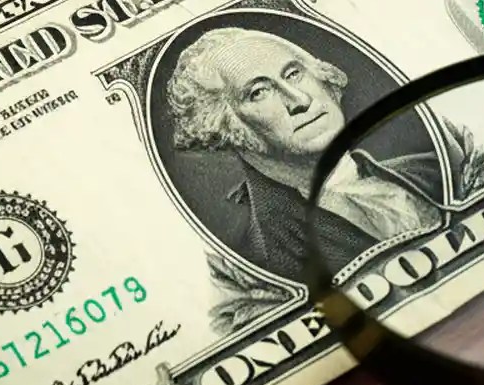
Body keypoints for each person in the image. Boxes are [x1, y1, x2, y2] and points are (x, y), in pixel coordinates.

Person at [167, 26, 458, 280]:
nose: (300, 100)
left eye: (293, 74)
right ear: (226, 126)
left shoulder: (436, 167)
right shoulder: (269, 261)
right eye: (258, 92)